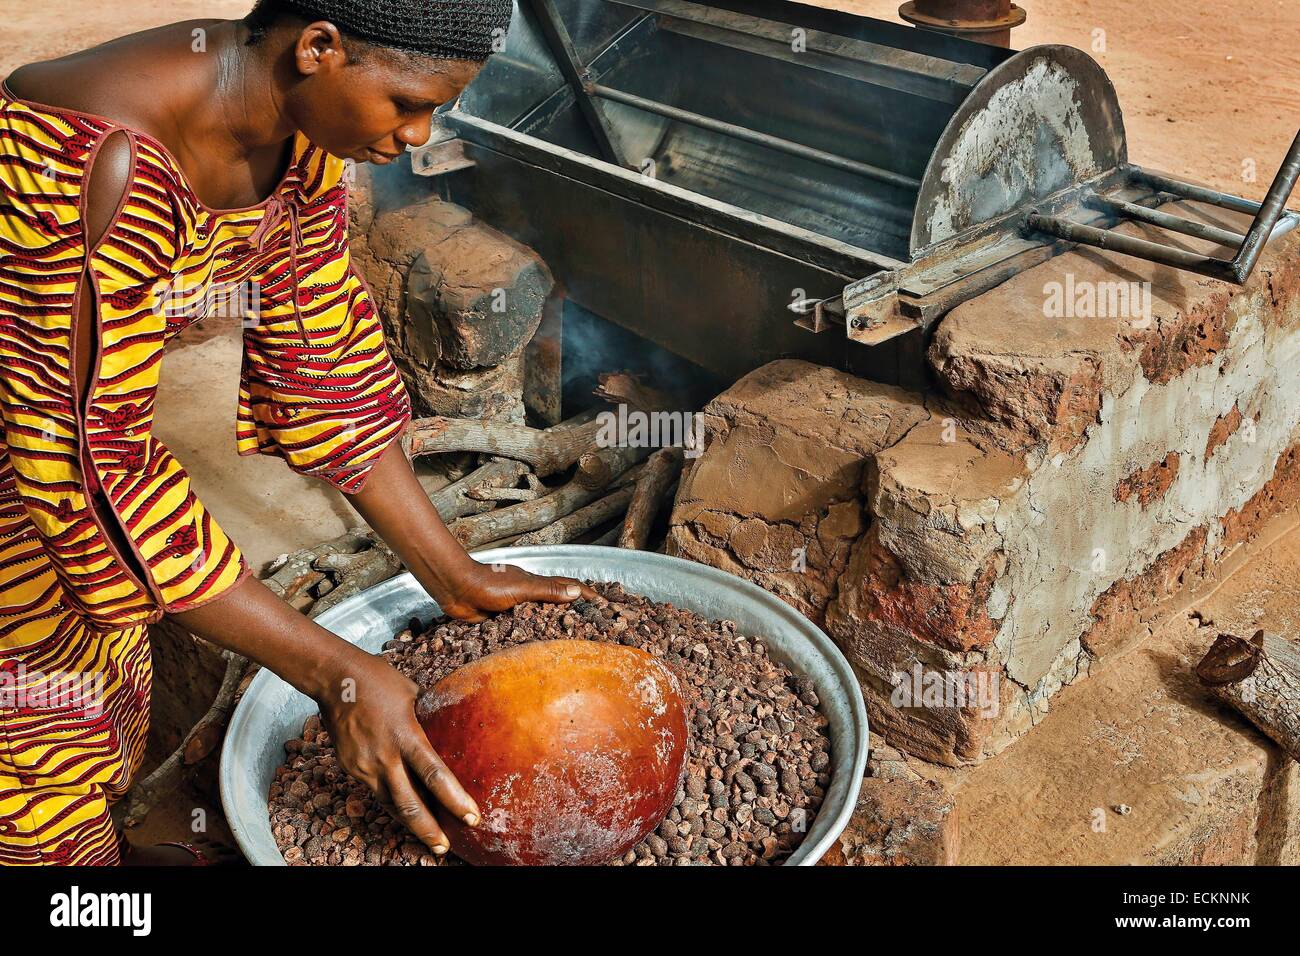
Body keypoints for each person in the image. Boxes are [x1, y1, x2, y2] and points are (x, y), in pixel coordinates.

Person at [0, 0, 592, 865]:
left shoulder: (302, 131)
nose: (418, 136)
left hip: (64, 434)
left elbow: (327, 367)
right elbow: (86, 474)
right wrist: (335, 677)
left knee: (98, 674)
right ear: (321, 47)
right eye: (407, 104)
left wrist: (450, 571)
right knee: (34, 721)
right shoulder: (94, 164)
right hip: (38, 454)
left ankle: (91, 848)